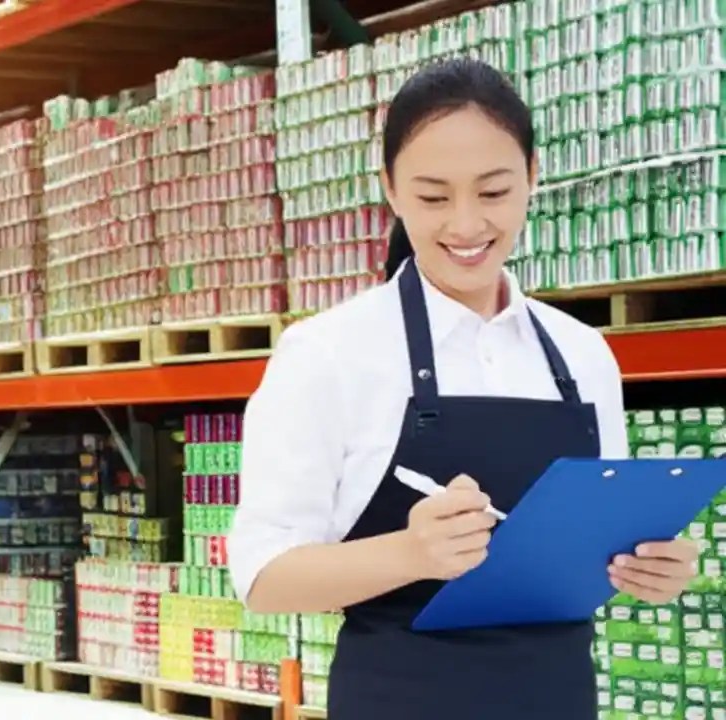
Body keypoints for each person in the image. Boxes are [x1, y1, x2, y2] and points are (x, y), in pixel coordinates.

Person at [227, 57, 700, 720]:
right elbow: (262, 578)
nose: (467, 223)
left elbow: (585, 557)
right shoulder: (329, 354)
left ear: (534, 176)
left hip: (559, 700)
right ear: (389, 189)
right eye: (433, 196)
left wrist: (647, 570)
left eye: (494, 191)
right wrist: (411, 553)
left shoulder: (582, 354)